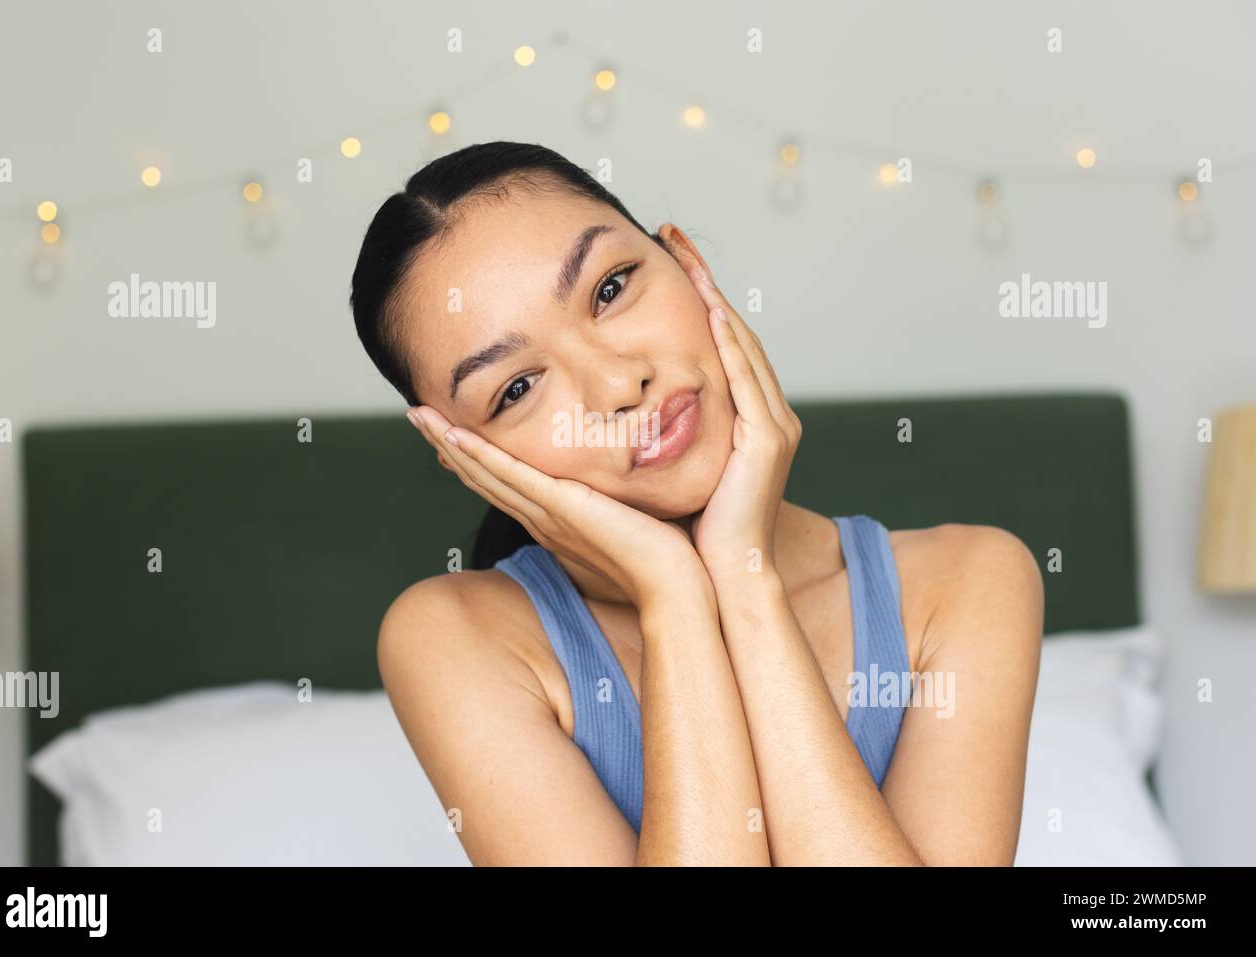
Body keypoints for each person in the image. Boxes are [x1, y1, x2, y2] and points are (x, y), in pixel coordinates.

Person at [349, 140, 1044, 866]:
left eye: (611, 288)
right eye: (517, 389)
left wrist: (744, 581)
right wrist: (675, 597)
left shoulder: (969, 581)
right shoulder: (452, 637)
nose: (619, 385)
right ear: (466, 457)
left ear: (687, 263)